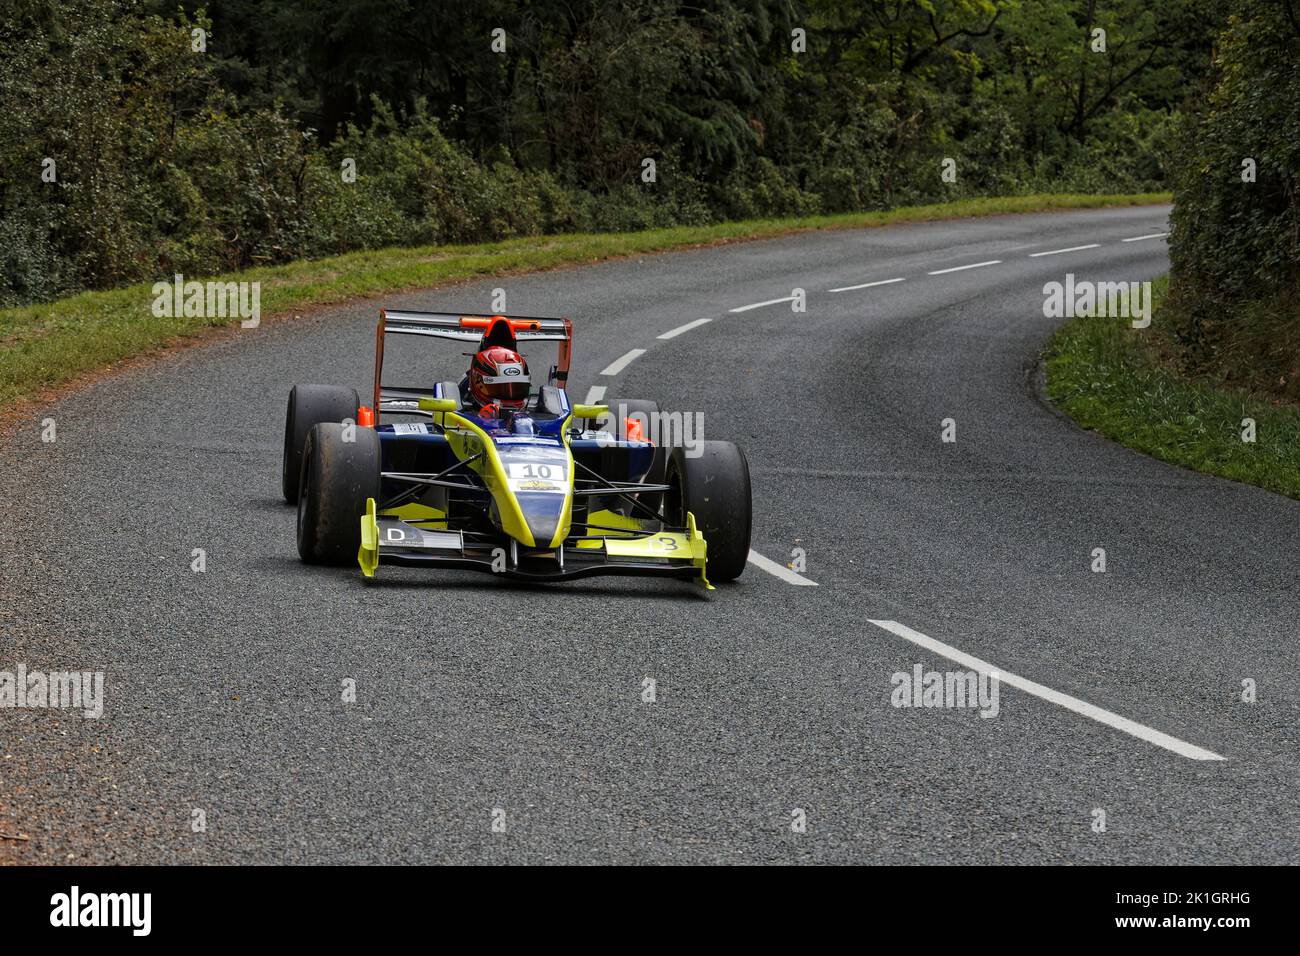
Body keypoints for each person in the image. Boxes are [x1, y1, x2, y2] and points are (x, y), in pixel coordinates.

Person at [466, 345, 530, 419]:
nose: (509, 397)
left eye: (517, 388)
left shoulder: (539, 414)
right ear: (478, 383)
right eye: (499, 390)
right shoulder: (462, 418)